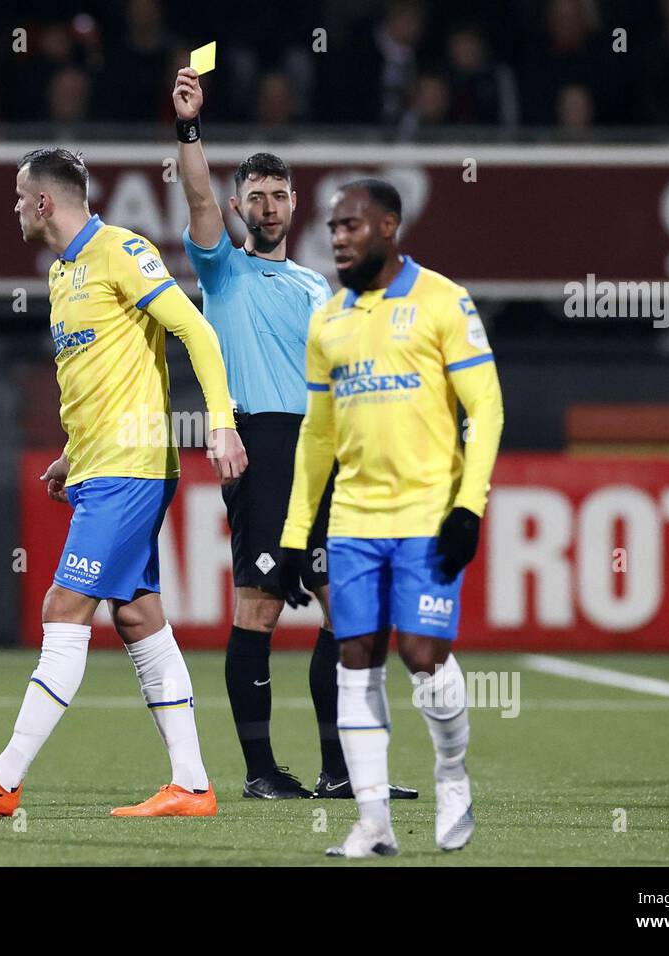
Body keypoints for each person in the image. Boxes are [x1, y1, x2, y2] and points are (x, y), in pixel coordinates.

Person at [0, 147, 247, 817]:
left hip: (132, 468)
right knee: (137, 618)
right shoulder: (61, 274)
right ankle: (190, 784)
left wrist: (221, 423)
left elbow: (196, 331)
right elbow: (97, 375)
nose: (15, 207)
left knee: (62, 609)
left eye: (20, 196)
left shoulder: (121, 251)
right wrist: (74, 451)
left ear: (45, 202)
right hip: (100, 466)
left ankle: (5, 777)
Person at [172, 67, 418, 802]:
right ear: (242, 206)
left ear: (295, 203)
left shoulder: (319, 287)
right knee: (260, 605)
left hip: (325, 449)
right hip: (263, 443)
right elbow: (195, 195)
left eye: (280, 195)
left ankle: (339, 769)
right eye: (257, 197)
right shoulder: (223, 272)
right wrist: (190, 128)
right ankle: (258, 771)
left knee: (348, 612)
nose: (269, 206)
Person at [278, 179, 504, 858]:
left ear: (389, 226)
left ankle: (452, 775)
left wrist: (470, 506)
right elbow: (317, 436)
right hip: (354, 518)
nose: (337, 237)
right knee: (356, 654)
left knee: (421, 656)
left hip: (429, 513)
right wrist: (296, 534)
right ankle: (373, 822)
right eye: (332, 227)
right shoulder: (328, 320)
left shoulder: (442, 300)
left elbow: (485, 407)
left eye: (350, 226)